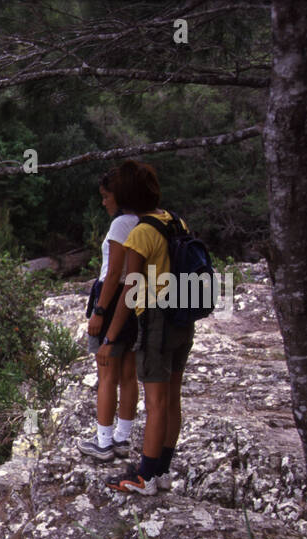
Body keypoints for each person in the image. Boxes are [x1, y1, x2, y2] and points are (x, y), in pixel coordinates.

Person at [101, 159, 190, 495]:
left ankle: (146, 476)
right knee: (172, 399)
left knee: (154, 403)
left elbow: (130, 289)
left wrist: (110, 336)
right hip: (182, 318)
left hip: (155, 322)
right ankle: (162, 470)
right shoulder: (175, 221)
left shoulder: (140, 233)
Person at [78, 167, 139, 461]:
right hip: (135, 299)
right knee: (129, 375)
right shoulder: (144, 220)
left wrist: (99, 311)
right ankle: (122, 438)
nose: (104, 203)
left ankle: (103, 442)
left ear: (121, 195)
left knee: (106, 374)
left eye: (106, 197)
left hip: (113, 299)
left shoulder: (120, 225)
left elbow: (114, 272)